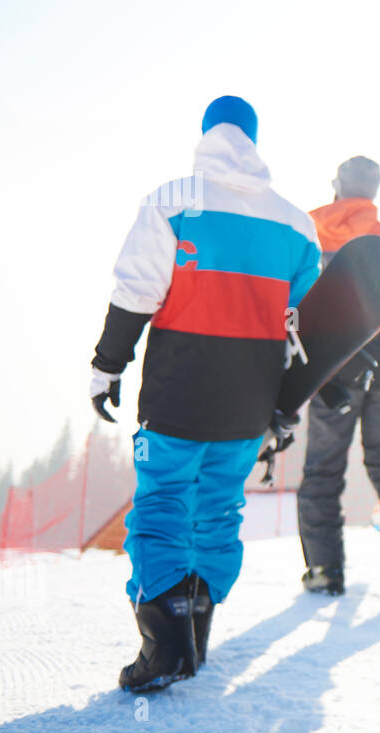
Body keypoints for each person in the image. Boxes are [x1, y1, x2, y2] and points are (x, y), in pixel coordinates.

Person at [90, 96, 321, 692]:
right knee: (218, 508)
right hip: (250, 401)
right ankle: (194, 634)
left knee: (164, 503)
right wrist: (288, 404)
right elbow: (307, 325)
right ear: (254, 138)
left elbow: (136, 290)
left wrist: (107, 366)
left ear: (205, 135)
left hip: (178, 394)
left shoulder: (170, 203)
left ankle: (162, 649)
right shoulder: (296, 225)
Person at [296, 156, 380, 595]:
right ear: (374, 192)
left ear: (336, 185)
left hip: (332, 366)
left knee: (323, 468)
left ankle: (325, 568)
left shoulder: (306, 234)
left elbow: (296, 303)